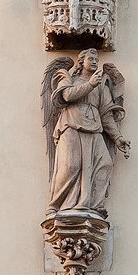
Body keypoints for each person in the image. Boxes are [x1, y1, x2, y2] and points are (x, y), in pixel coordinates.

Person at [43, 50, 128, 215]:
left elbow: (106, 114)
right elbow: (66, 95)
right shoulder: (69, 78)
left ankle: (94, 206)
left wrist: (117, 138)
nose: (95, 61)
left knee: (105, 163)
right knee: (71, 166)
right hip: (71, 126)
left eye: (97, 59)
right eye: (91, 59)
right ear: (81, 62)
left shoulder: (100, 85)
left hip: (94, 128)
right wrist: (90, 85)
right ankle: (57, 204)